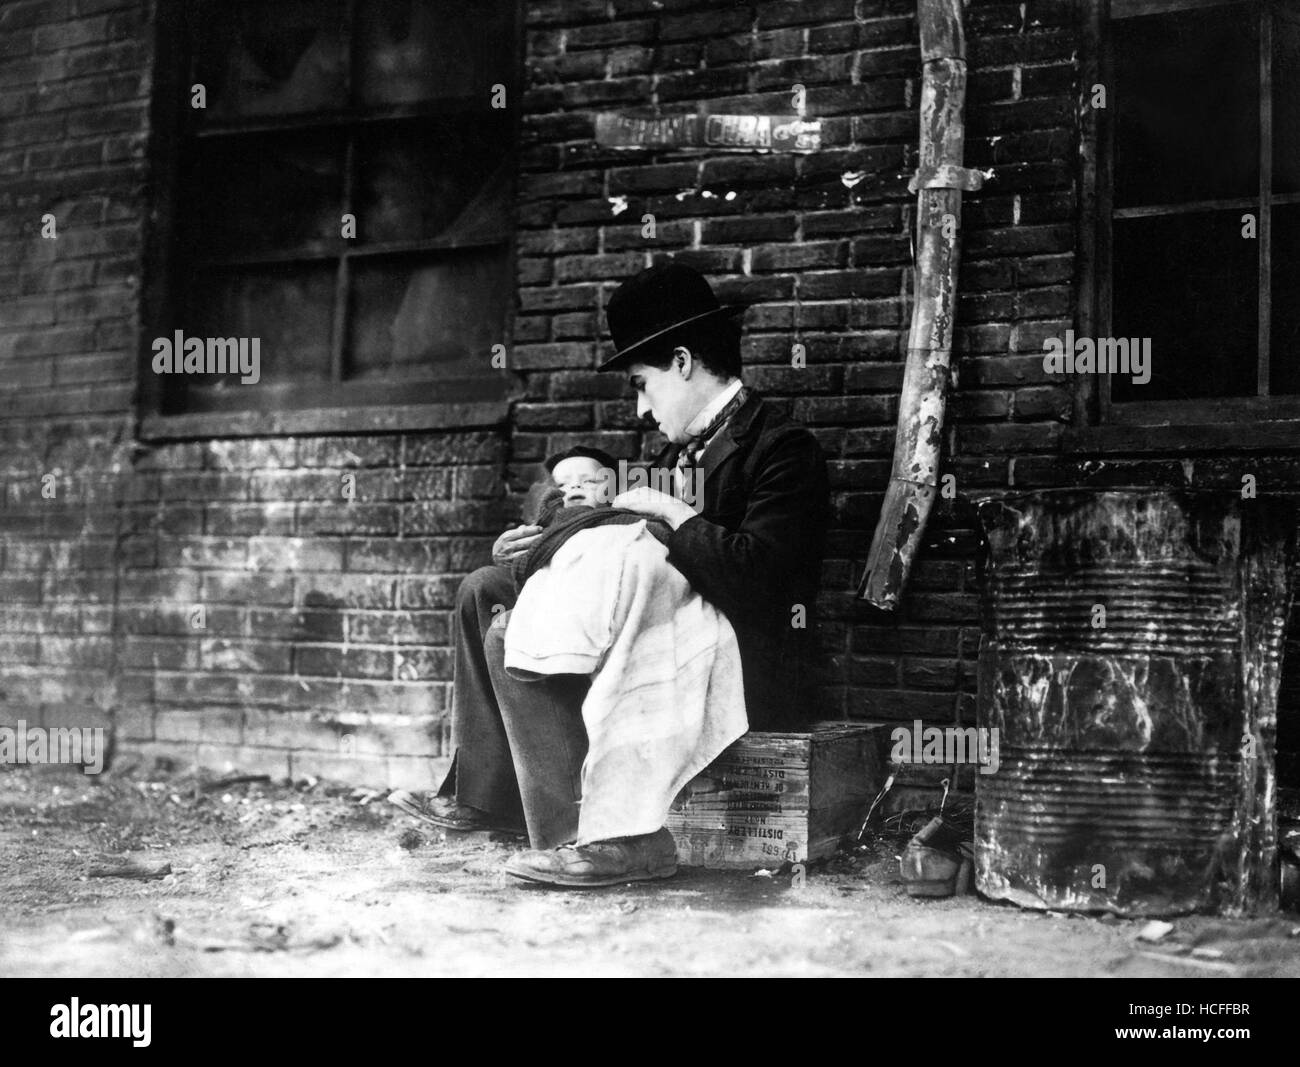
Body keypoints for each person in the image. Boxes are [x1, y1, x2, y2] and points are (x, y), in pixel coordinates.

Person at [396, 260, 831, 887]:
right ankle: (487, 795)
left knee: (509, 631)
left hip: (747, 648)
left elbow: (765, 582)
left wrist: (672, 513)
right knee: (485, 591)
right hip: (662, 614)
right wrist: (538, 547)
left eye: (641, 385)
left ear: (682, 364)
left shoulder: (782, 449)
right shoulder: (668, 452)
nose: (641, 409)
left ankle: (596, 836)